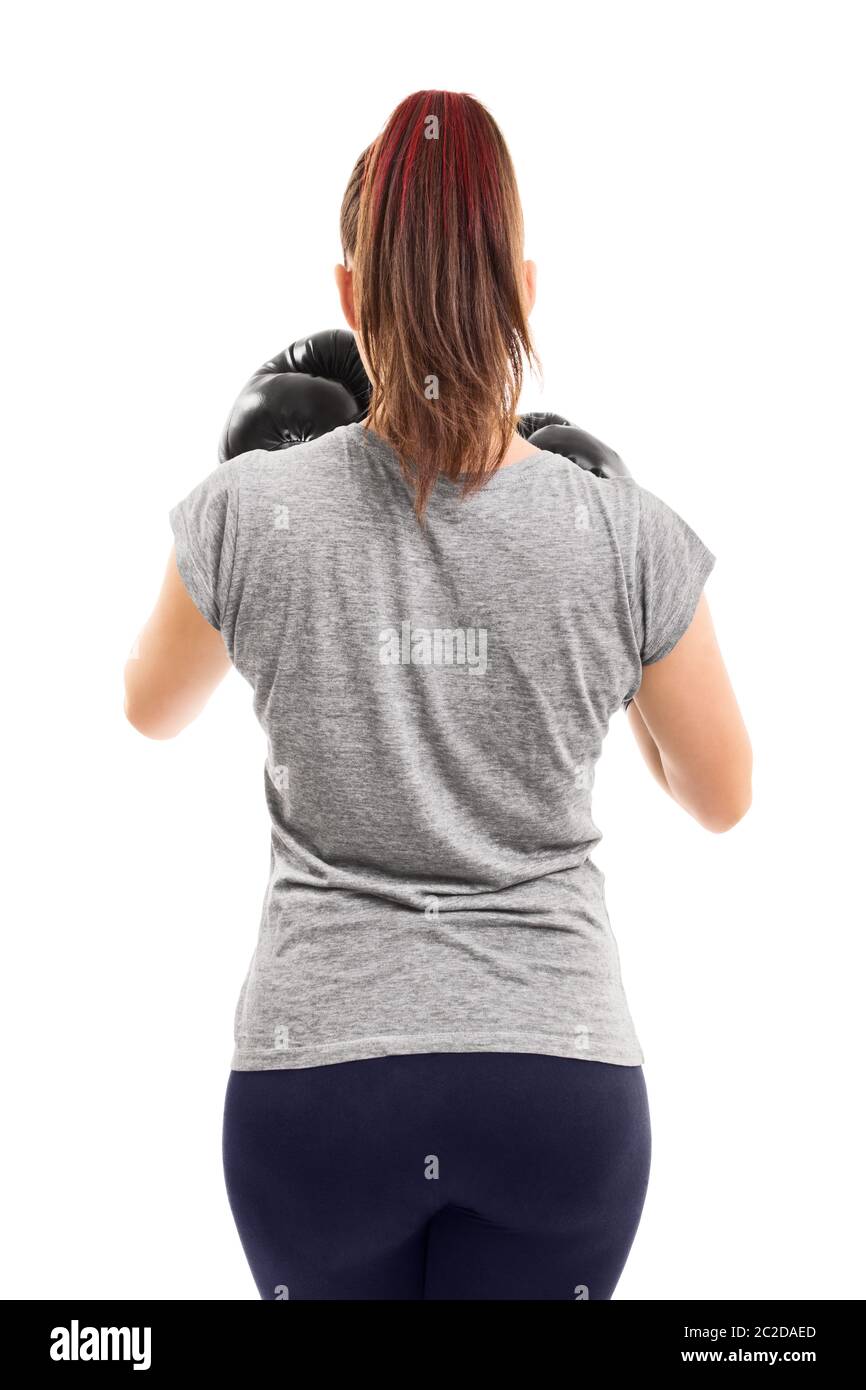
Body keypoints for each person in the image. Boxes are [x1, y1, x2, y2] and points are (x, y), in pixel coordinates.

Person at [124, 90, 752, 1301]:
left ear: (351, 302)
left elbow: (148, 708)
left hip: (318, 1090)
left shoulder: (253, 512)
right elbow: (719, 796)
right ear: (522, 288)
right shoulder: (621, 534)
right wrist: (599, 631)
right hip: (554, 1085)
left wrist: (247, 521)